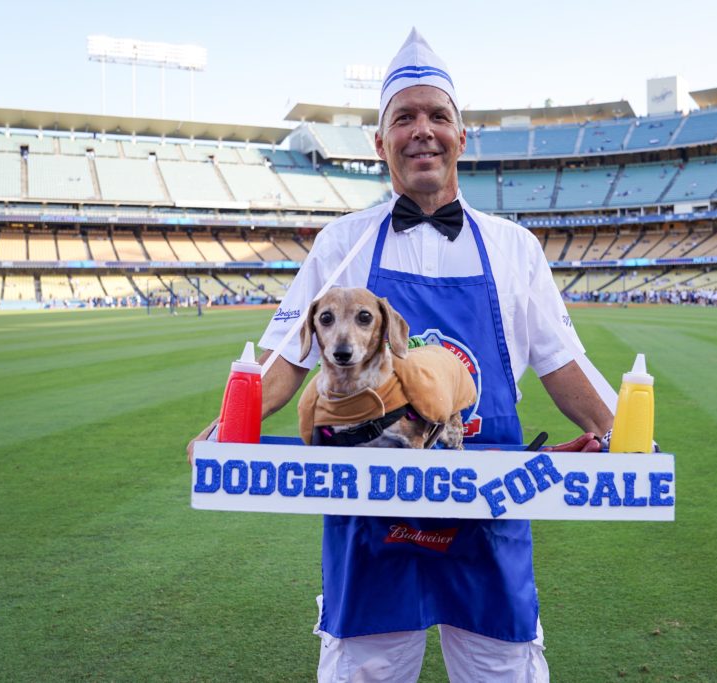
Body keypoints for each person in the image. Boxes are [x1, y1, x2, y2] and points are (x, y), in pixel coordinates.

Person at [188, 29, 612, 683]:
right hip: (372, 513)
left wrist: (623, 430)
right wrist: (227, 428)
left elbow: (562, 363)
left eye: (438, 116)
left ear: (462, 137)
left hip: (488, 511)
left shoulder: (514, 247)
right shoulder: (342, 244)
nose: (423, 132)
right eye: (404, 118)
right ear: (380, 143)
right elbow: (286, 358)